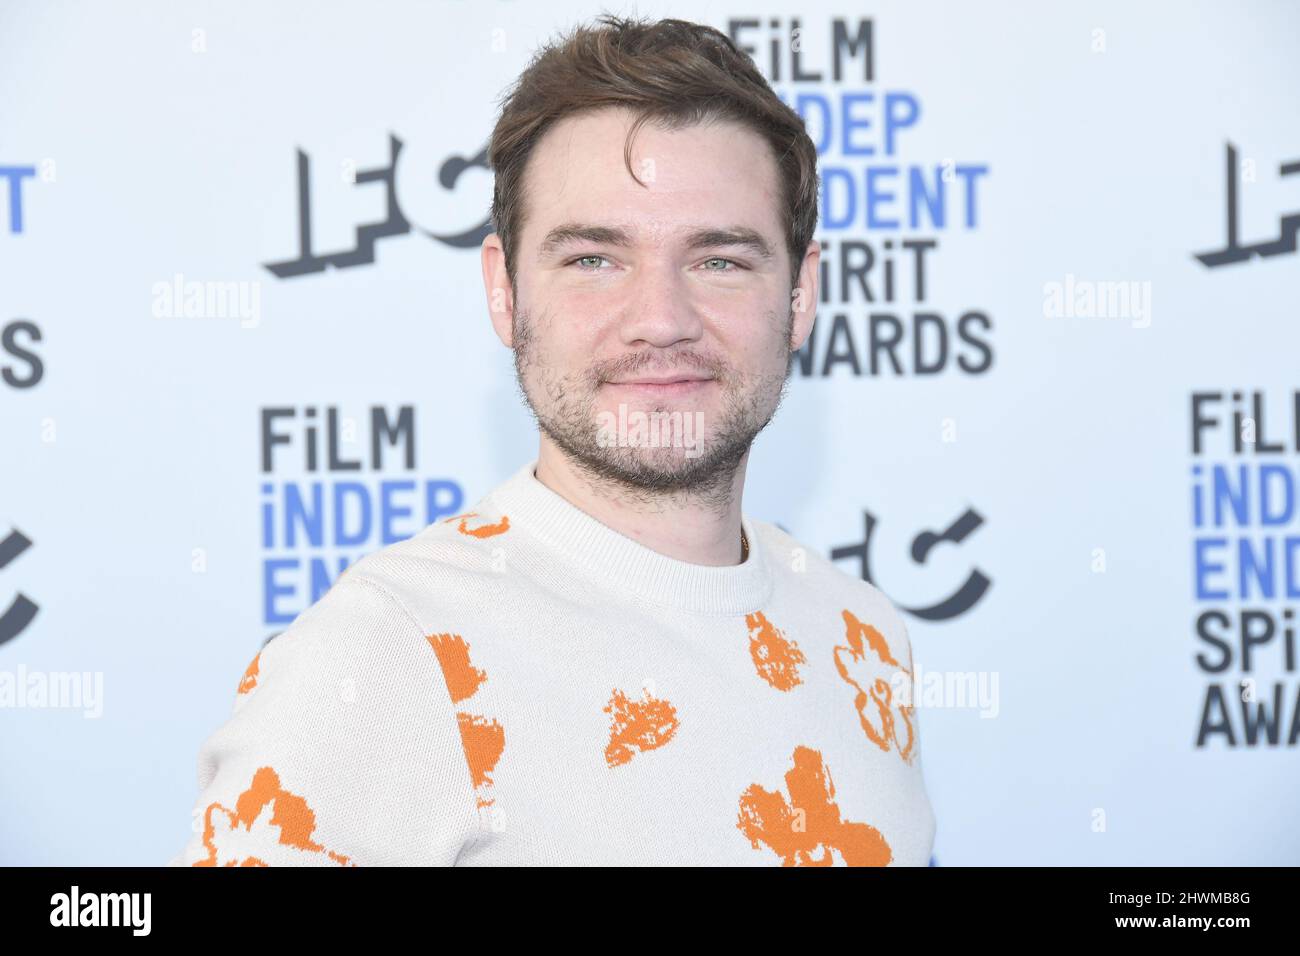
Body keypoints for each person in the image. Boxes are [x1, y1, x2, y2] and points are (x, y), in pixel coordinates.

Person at [170, 13, 935, 867]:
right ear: (504, 292)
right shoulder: (387, 656)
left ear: (800, 297)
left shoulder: (863, 635)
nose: (660, 321)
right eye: (593, 260)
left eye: (720, 259)